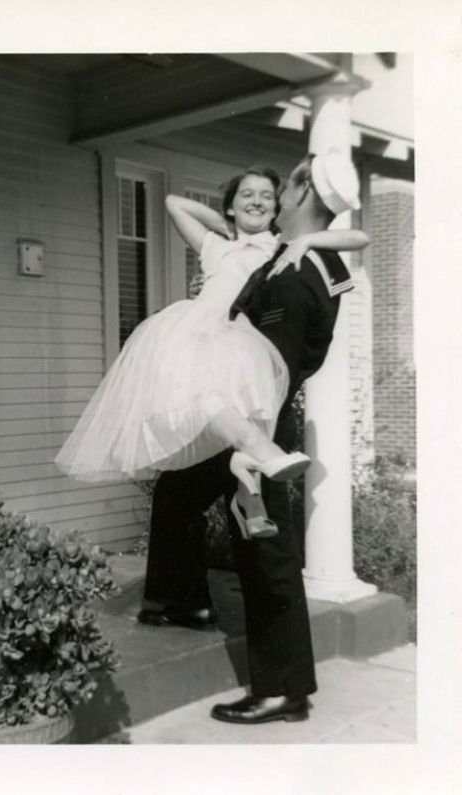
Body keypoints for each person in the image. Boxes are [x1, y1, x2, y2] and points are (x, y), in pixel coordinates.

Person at [144, 149, 363, 724]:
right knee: (187, 494)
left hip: (255, 426)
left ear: (301, 191)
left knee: (266, 556)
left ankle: (282, 690)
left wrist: (251, 448)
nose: (272, 197)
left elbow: (270, 367)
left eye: (283, 187)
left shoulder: (293, 273)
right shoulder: (307, 259)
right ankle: (184, 602)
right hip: (243, 420)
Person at [55, 164, 368, 539]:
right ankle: (250, 471)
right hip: (201, 336)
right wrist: (226, 224)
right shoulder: (217, 247)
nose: (257, 201)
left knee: (248, 404)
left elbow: (358, 236)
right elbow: (174, 203)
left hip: (240, 342)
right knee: (207, 399)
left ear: (277, 208)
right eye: (246, 195)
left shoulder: (279, 247)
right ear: (231, 206)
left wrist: (309, 241)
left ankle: (249, 492)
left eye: (267, 196)